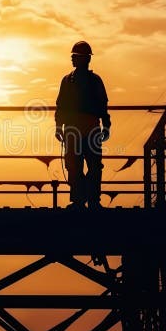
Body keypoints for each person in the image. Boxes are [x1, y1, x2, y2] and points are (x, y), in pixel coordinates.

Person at [54, 41, 111, 209]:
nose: (72, 59)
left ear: (84, 59)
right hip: (78, 129)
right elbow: (61, 106)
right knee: (76, 166)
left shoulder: (85, 81)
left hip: (87, 128)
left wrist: (106, 125)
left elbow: (102, 104)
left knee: (91, 166)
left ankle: (87, 199)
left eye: (75, 57)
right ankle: (83, 200)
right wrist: (59, 126)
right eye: (73, 57)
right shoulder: (70, 80)